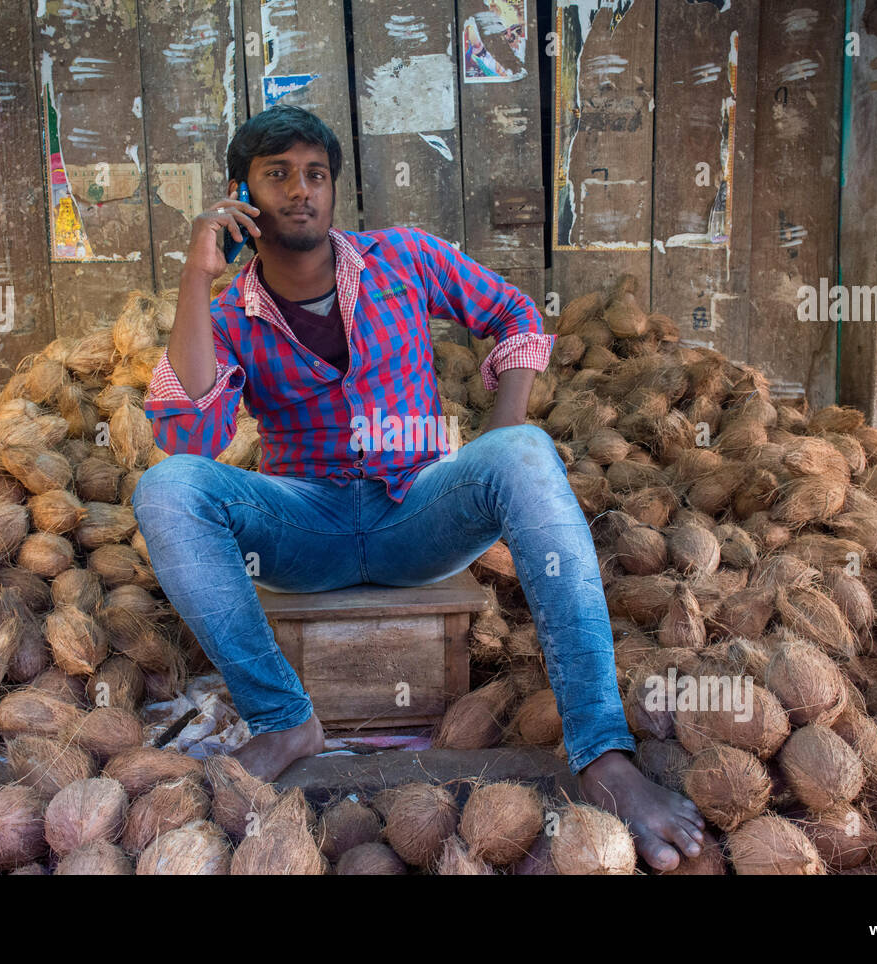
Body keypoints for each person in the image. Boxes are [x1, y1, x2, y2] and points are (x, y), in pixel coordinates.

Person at [131, 104, 705, 870]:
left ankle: (601, 752)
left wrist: (501, 436)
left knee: (525, 451)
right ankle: (283, 719)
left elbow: (517, 317)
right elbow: (186, 435)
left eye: (316, 174)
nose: (301, 191)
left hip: (417, 515)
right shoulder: (231, 311)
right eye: (277, 176)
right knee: (166, 486)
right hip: (308, 527)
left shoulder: (403, 257)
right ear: (241, 197)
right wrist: (196, 283)